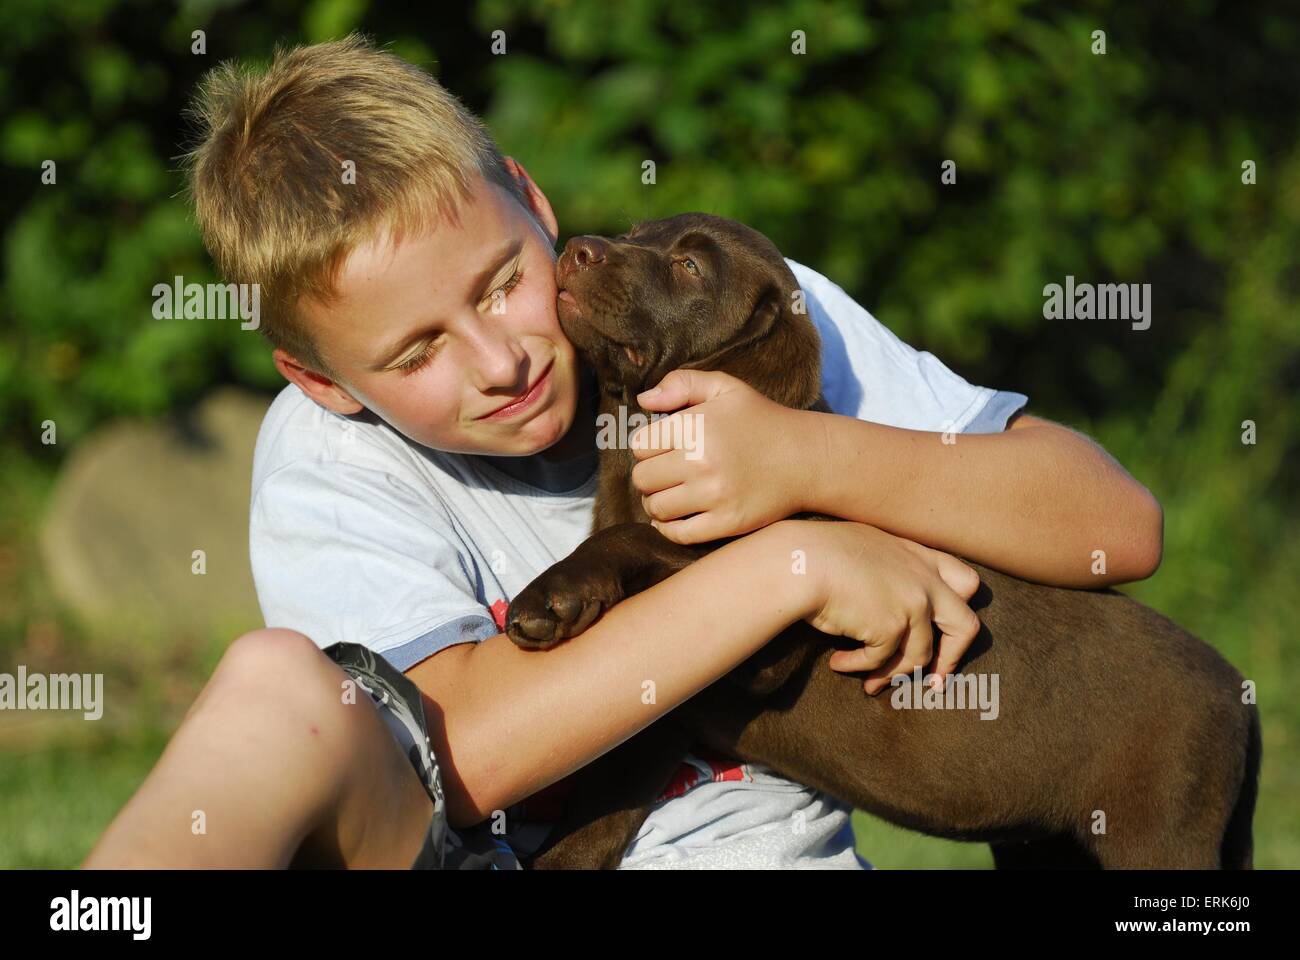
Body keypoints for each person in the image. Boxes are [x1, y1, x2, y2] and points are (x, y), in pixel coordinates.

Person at [84, 35, 1162, 869]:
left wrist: (809, 459)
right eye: (417, 351)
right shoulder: (330, 461)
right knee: (278, 687)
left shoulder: (733, 312)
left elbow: (1116, 528)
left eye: (503, 282)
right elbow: (467, 752)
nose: (499, 361)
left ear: (533, 199)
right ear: (324, 381)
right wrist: (796, 562)